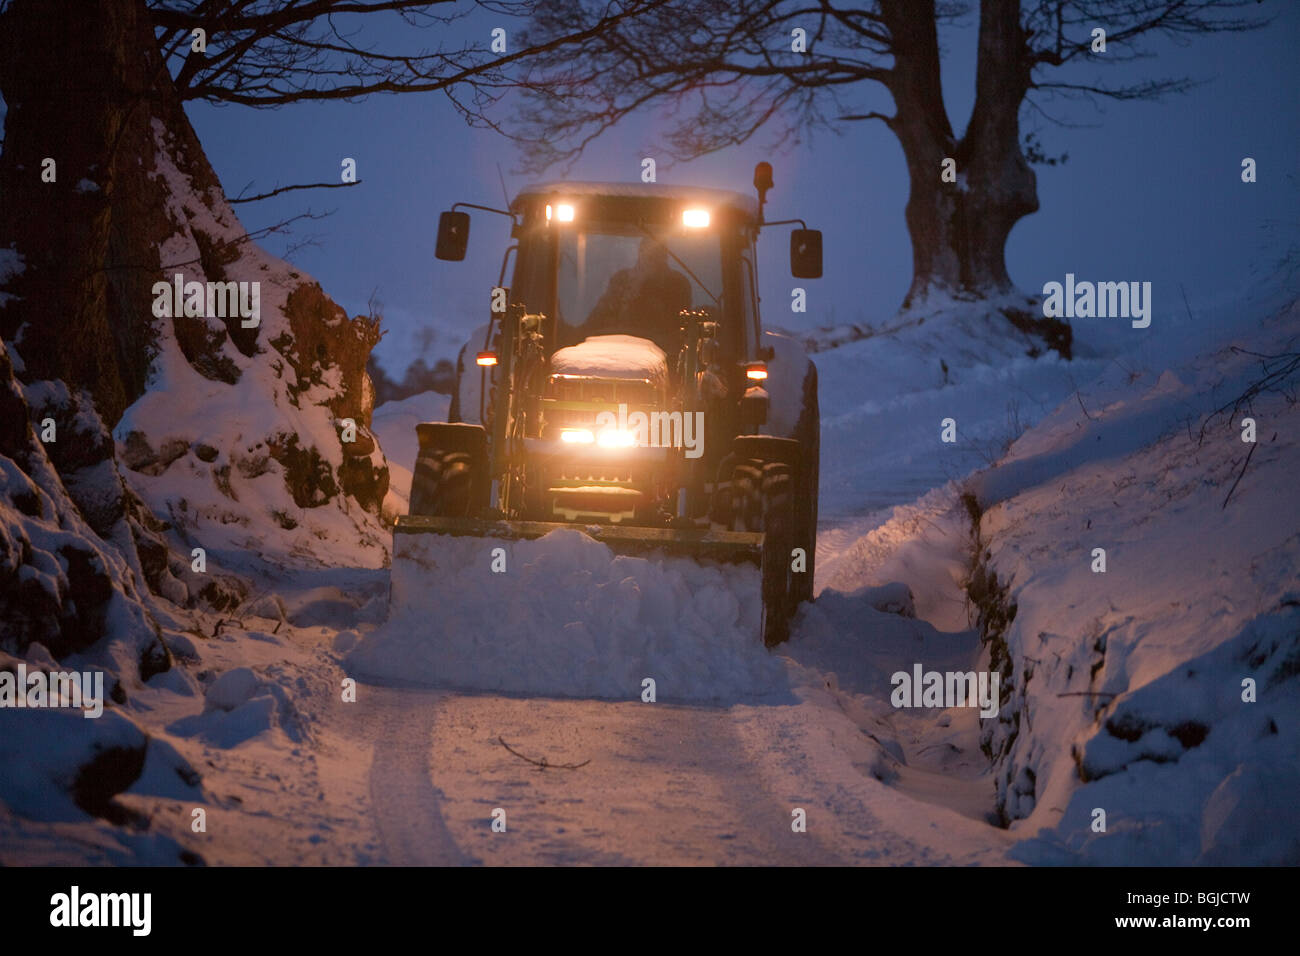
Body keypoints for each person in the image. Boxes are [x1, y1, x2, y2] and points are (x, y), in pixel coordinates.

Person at [584, 237, 692, 350]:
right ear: (639, 253)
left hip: (661, 352)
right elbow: (597, 319)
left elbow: (679, 330)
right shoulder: (622, 279)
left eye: (656, 254)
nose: (649, 259)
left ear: (664, 256)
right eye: (645, 252)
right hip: (613, 346)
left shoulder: (676, 283)